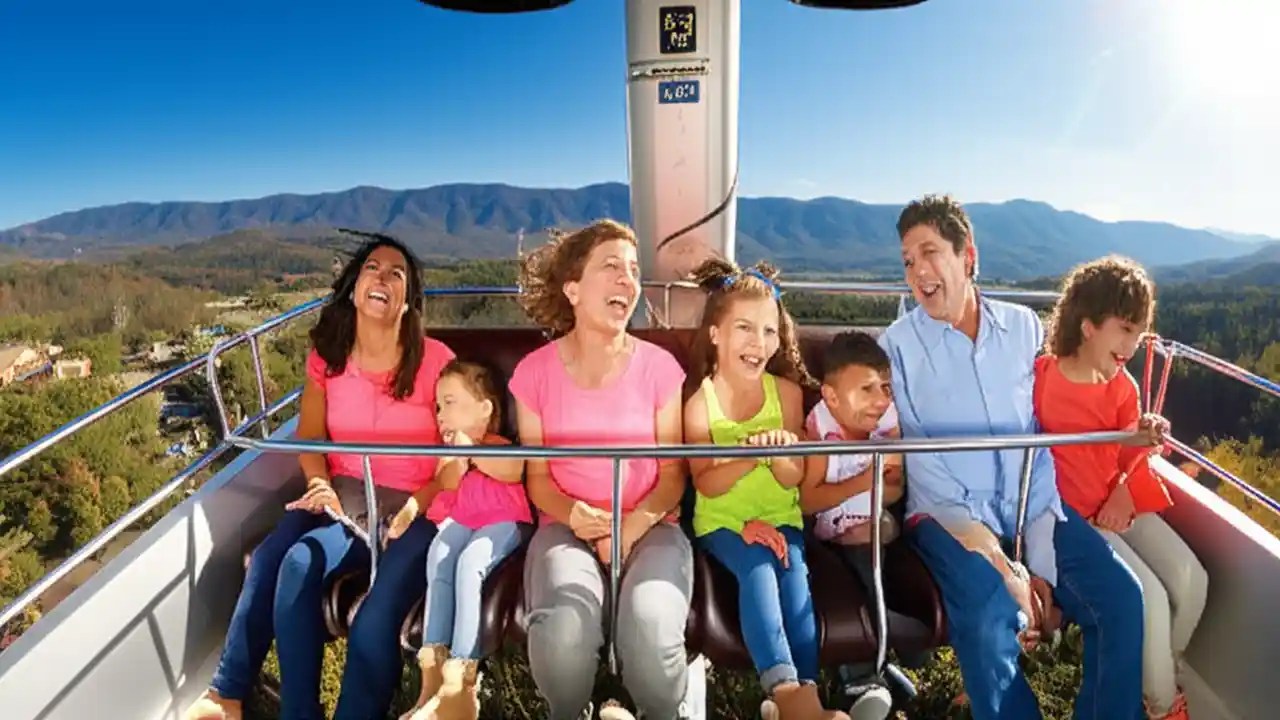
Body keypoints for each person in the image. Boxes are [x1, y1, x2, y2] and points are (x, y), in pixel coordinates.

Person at [879, 194, 1146, 720]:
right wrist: (1006, 566)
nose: (918, 272)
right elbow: (927, 470)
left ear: (968, 256)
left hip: (1030, 506)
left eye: (930, 252)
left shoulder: (1024, 328)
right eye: (908, 260)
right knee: (987, 611)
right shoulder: (898, 348)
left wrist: (1038, 554)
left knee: (1121, 598)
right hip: (948, 519)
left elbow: (1040, 434)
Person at [185, 234, 455, 720]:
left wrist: (421, 500)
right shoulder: (328, 357)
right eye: (373, 267)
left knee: (376, 613)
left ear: (410, 302)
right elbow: (311, 437)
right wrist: (319, 483)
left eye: (398, 274)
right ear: (354, 288)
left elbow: (455, 460)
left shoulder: (436, 361)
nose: (383, 277)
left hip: (418, 508)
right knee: (290, 562)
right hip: (348, 498)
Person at [509, 219, 693, 720]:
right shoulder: (533, 374)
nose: (627, 281)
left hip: (652, 523)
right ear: (573, 288)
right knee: (562, 641)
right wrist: (576, 516)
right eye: (610, 267)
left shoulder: (660, 369)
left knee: (653, 637)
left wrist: (627, 527)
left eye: (633, 270)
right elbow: (539, 481)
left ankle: (671, 705)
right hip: (566, 527)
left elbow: (672, 476)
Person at [1035, 255, 1208, 720]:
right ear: (1088, 325)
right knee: (1147, 596)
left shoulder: (1124, 388)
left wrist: (1125, 490)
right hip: (1077, 522)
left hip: (1118, 505)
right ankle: (1163, 705)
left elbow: (1132, 453)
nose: (1132, 344)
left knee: (1193, 581)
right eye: (1124, 329)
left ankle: (1157, 677)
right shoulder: (1042, 381)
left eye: (1139, 332)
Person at [682, 258, 848, 720]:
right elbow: (707, 485)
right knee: (757, 567)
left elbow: (793, 478)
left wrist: (780, 457)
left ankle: (803, 691)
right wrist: (752, 454)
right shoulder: (701, 404)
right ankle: (783, 687)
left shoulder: (787, 396)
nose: (760, 344)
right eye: (745, 329)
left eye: (769, 331)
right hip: (724, 523)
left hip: (781, 517)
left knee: (794, 578)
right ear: (715, 333)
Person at [387, 360, 531, 720]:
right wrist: (457, 455)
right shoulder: (453, 453)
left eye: (450, 403)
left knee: (470, 564)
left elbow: (516, 471)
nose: (440, 414)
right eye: (438, 406)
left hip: (504, 519)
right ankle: (431, 674)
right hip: (464, 517)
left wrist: (476, 449)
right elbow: (448, 482)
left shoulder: (501, 445)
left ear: (485, 410)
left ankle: (462, 676)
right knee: (440, 555)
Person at [798, 330, 931, 720]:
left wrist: (869, 495)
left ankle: (880, 652)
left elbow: (895, 487)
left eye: (885, 387)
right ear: (832, 396)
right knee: (845, 584)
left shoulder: (886, 420)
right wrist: (865, 479)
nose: (879, 399)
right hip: (829, 534)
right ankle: (873, 660)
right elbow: (808, 499)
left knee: (875, 543)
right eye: (867, 389)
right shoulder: (820, 432)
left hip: (876, 524)